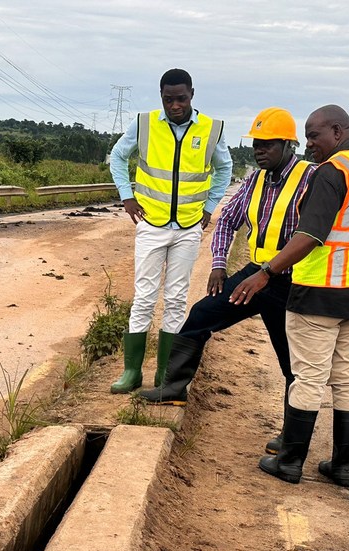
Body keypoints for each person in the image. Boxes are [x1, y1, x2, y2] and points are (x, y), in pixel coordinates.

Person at [233, 104, 349, 486]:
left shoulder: (331, 172)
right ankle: (341, 468)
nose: (309, 145)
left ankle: (289, 462)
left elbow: (311, 235)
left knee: (308, 377)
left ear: (337, 132)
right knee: (348, 377)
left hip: (321, 290)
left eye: (314, 136)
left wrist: (265, 272)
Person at [139, 107, 315, 454]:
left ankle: (291, 437)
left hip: (289, 283)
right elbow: (226, 221)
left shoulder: (310, 178)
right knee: (201, 316)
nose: (259, 150)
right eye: (256, 144)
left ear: (288, 144)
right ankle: (174, 387)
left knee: (291, 362)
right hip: (255, 274)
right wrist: (218, 264)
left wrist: (272, 273)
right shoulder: (254, 180)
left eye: (267, 144)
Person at [108, 68, 233, 394]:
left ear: (192, 94)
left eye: (181, 98)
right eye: (168, 99)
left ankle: (166, 374)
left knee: (177, 299)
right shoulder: (146, 123)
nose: (174, 105)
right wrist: (126, 195)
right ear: (161, 96)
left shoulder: (210, 129)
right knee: (144, 297)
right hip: (151, 223)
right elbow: (118, 157)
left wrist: (209, 208)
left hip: (189, 226)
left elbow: (225, 168)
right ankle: (132, 372)